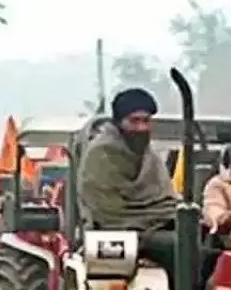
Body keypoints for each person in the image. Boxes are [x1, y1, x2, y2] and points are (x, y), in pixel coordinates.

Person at [77, 87, 179, 271]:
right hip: (117, 234)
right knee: (181, 245)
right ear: (119, 122)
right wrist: (152, 226)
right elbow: (107, 212)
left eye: (146, 121)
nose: (141, 128)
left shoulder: (148, 155)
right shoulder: (101, 154)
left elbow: (165, 199)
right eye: (134, 121)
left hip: (156, 226)